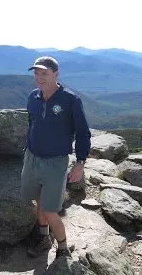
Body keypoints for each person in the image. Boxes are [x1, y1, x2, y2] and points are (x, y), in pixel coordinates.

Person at [21, 56, 91, 259]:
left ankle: (63, 249)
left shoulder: (70, 100)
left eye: (44, 73)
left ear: (56, 74)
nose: (39, 77)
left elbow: (82, 132)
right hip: (32, 158)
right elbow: (31, 123)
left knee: (51, 210)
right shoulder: (33, 97)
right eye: (36, 73)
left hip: (55, 162)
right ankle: (43, 237)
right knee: (37, 200)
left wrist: (80, 163)